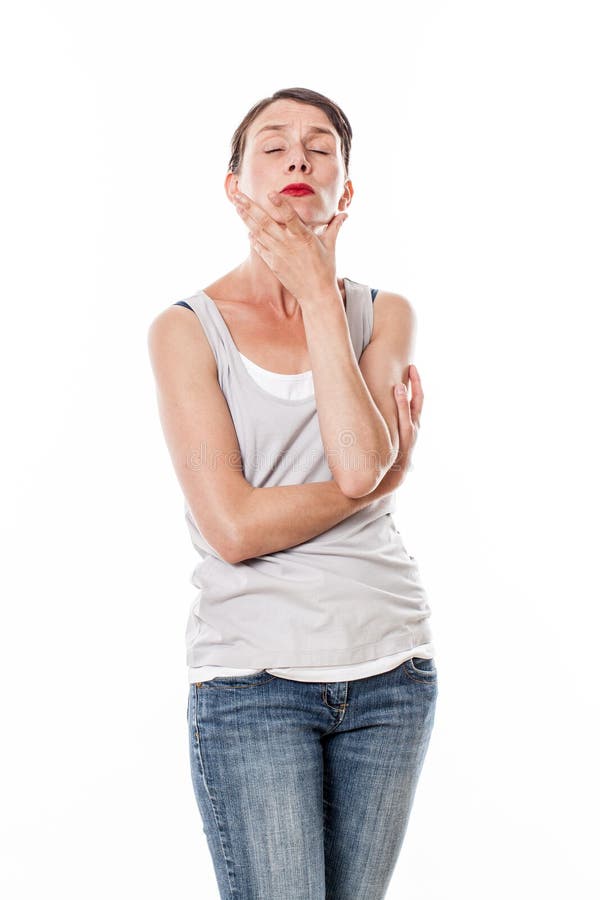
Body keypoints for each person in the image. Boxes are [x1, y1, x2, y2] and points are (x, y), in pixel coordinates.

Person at [147, 87, 438, 900]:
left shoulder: (384, 315)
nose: (298, 158)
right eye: (272, 147)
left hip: (391, 669)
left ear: (345, 191)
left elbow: (352, 460)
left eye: (319, 146)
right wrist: (386, 476)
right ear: (235, 185)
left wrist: (317, 294)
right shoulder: (185, 329)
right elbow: (236, 525)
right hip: (254, 682)